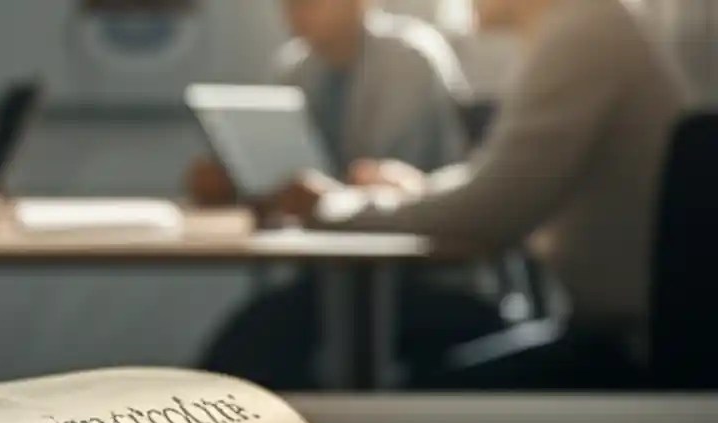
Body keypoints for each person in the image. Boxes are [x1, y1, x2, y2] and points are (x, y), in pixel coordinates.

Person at [204, 0, 689, 389]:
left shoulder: (585, 32)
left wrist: (336, 206)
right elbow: (493, 186)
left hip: (627, 345)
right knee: (279, 341)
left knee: (373, 398)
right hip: (616, 332)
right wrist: (418, 191)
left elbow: (490, 210)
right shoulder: (588, 26)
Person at [189, 0, 470, 205]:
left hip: (420, 261)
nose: (295, 12)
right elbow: (287, 173)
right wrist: (239, 185)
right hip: (328, 265)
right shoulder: (295, 68)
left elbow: (389, 178)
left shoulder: (409, 57)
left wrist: (329, 196)